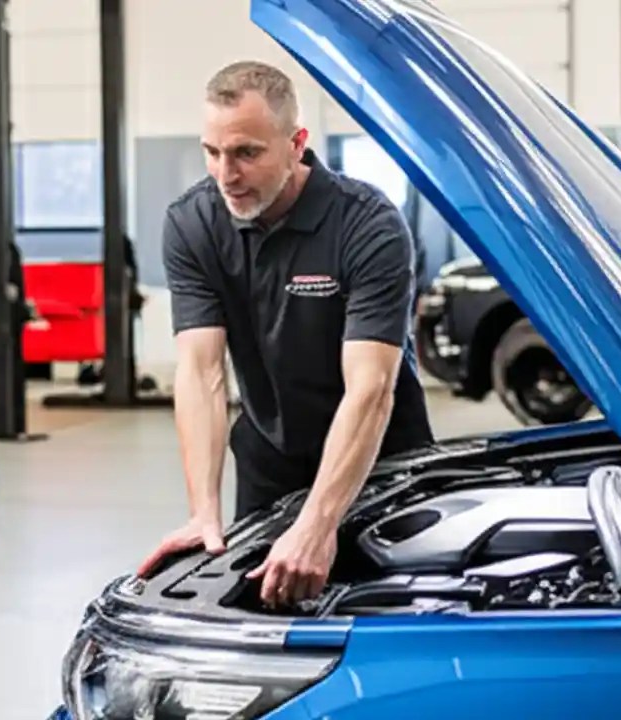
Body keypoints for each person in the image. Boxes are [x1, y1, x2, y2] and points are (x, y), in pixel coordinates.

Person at [137, 61, 435, 608]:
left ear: (297, 143)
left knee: (386, 622)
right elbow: (201, 372)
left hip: (382, 460)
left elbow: (370, 389)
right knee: (272, 632)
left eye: (247, 153)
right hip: (271, 460)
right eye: (212, 152)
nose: (225, 174)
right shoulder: (193, 223)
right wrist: (203, 509)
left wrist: (319, 523)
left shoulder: (366, 224)